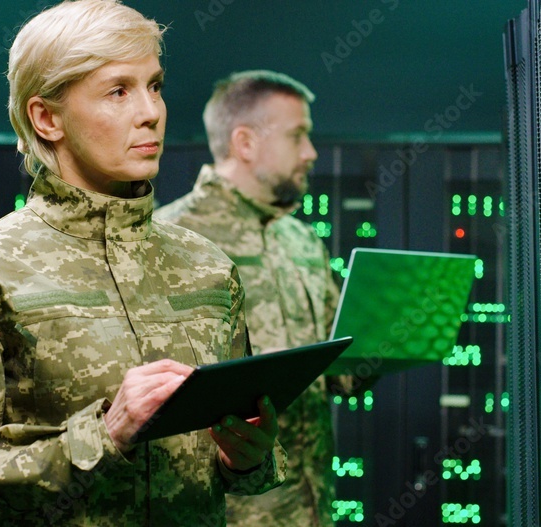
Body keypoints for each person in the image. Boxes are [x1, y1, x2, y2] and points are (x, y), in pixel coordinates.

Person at [0, 2, 286, 525]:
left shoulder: (208, 268)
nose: (150, 111)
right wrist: (103, 435)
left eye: (155, 85)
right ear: (46, 118)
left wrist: (246, 457)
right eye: (118, 90)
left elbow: (235, 466)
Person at [157, 70, 371, 527]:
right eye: (298, 136)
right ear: (245, 143)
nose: (311, 153)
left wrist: (390, 341)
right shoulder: (170, 241)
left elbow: (337, 374)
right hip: (228, 513)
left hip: (312, 507)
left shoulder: (302, 242)